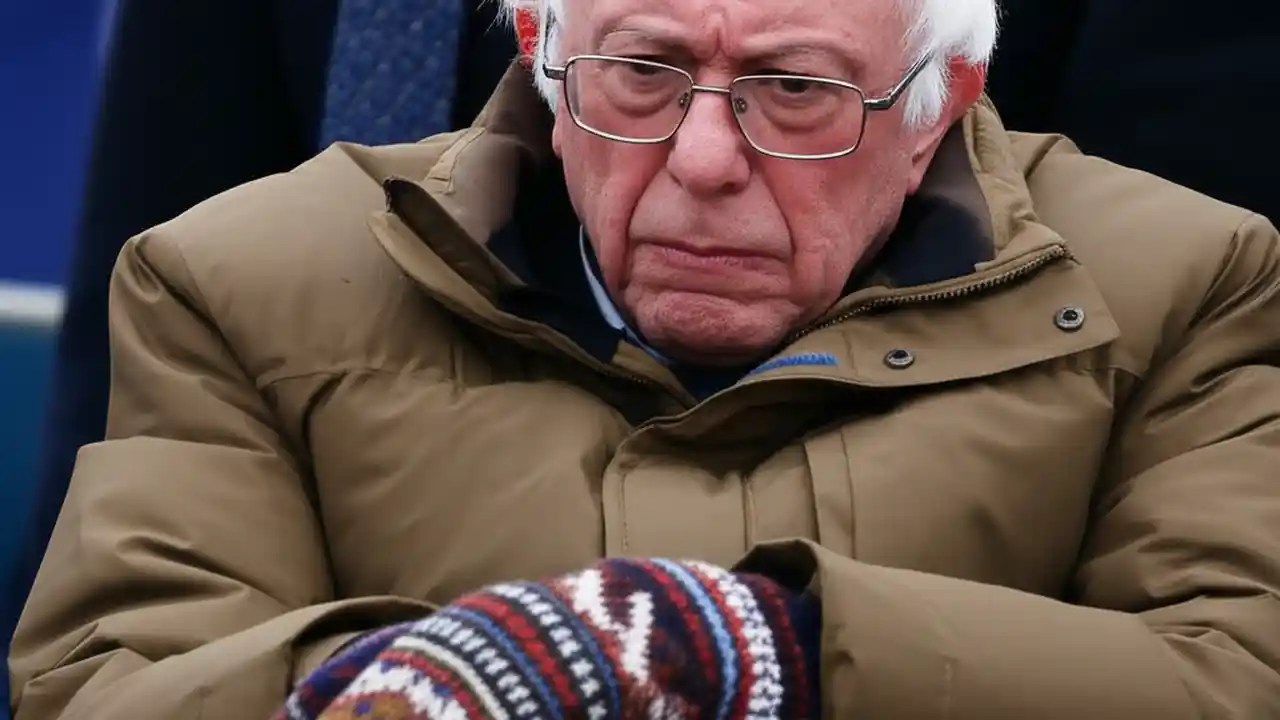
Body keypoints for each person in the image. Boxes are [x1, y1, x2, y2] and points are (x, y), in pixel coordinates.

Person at [11, 0, 1280, 716]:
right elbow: (116, 687)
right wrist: (442, 683)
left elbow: (1233, 679)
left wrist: (767, 643)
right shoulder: (243, 278)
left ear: (943, 100)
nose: (705, 158)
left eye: (794, 90)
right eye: (642, 72)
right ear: (539, 57)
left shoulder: (1180, 284)